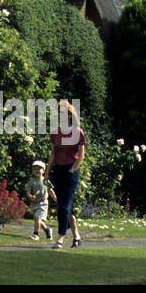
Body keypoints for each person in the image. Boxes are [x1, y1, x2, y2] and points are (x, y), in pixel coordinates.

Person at [46, 100, 85, 249]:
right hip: (58, 171)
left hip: (70, 172)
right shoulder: (56, 132)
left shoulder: (77, 132)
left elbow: (81, 154)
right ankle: (76, 236)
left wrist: (73, 168)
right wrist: (47, 173)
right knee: (63, 206)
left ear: (69, 115)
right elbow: (53, 155)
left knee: (64, 206)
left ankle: (61, 238)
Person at [24, 160, 56, 240]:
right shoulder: (31, 181)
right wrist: (30, 196)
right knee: (38, 220)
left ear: (43, 171)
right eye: (35, 169)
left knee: (38, 218)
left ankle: (36, 234)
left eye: (39, 169)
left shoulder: (45, 181)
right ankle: (47, 230)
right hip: (35, 203)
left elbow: (51, 191)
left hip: (43, 203)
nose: (37, 171)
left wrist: (56, 200)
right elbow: (28, 192)